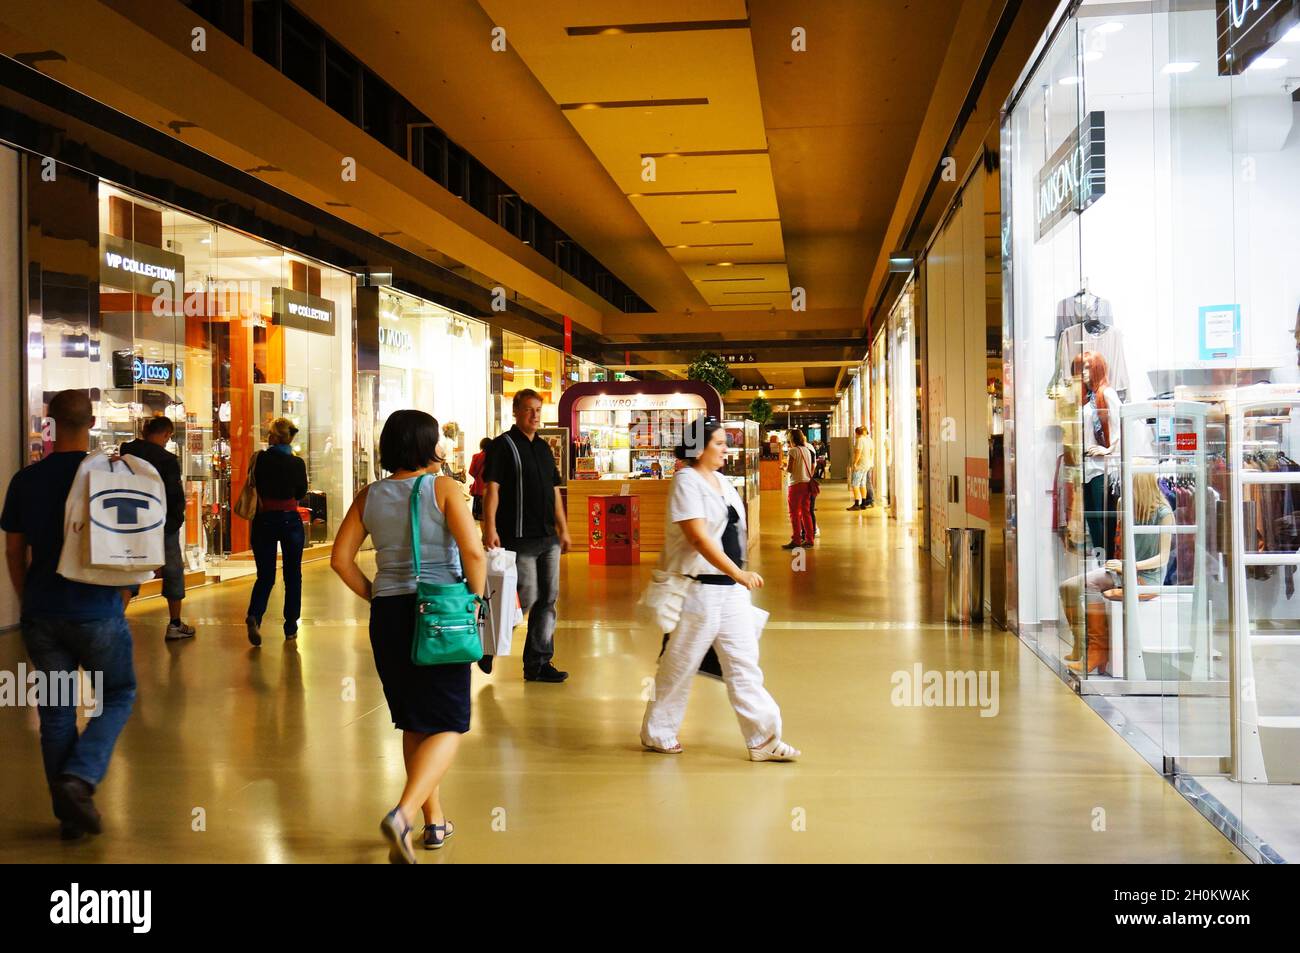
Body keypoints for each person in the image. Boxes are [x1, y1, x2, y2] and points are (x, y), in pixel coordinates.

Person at [331, 409, 486, 863]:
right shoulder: (444, 488)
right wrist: (474, 606)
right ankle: (401, 814)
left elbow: (341, 560)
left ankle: (432, 821)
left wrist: (378, 598)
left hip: (390, 615)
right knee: (452, 721)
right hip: (439, 610)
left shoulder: (369, 495)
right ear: (425, 444)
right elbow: (473, 552)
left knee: (415, 719)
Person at [2, 389, 137, 839]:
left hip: (43, 612)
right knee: (118, 692)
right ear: (92, 420)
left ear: (50, 421)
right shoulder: (110, 477)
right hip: (97, 609)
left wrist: (28, 599)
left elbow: (15, 549)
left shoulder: (26, 480)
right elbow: (132, 542)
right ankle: (78, 780)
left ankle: (69, 820)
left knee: (57, 712)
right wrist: (125, 594)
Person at [641, 415, 799, 762]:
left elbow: (732, 535)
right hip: (696, 591)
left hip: (730, 593)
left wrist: (738, 575)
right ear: (699, 446)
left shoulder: (723, 483)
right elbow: (697, 537)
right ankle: (658, 731)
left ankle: (763, 738)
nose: (726, 449)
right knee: (680, 663)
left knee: (744, 664)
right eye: (719, 443)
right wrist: (739, 573)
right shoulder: (685, 481)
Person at [482, 389, 571, 683]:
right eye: (529, 409)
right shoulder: (502, 446)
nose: (535, 415)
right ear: (516, 411)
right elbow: (491, 490)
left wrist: (563, 528)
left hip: (548, 538)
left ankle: (538, 663)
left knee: (548, 599)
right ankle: (488, 644)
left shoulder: (544, 449)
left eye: (538, 410)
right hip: (519, 537)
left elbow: (555, 491)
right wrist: (489, 527)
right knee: (527, 595)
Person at [1059, 472, 1173, 674]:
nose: (1121, 486)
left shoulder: (1164, 513)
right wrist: (1119, 564)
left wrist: (1129, 566)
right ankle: (1082, 643)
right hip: (1122, 570)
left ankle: (1097, 650)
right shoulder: (1123, 504)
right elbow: (1121, 542)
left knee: (1090, 586)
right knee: (1067, 586)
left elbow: (1163, 558)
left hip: (1146, 577)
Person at [121, 415, 194, 641]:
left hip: (130, 520)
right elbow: (174, 496)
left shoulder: (126, 451)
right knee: (173, 571)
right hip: (160, 523)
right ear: (165, 434)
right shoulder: (167, 459)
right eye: (168, 437)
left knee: (130, 570)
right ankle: (174, 623)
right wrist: (174, 522)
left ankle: (114, 620)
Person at [244, 417, 308, 646]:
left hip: (264, 519)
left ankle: (255, 615)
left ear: (272, 436)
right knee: (293, 575)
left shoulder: (261, 459)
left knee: (265, 575)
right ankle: (291, 626)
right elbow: (301, 492)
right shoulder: (297, 463)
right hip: (290, 519)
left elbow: (253, 483)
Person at [782, 429, 816, 550]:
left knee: (794, 514)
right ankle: (809, 539)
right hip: (806, 484)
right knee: (806, 513)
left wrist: (784, 467)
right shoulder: (807, 450)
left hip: (795, 485)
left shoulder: (793, 451)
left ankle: (796, 539)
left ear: (792, 439)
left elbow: (790, 469)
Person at [849, 426, 875, 510]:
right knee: (863, 483)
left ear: (857, 433)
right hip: (867, 464)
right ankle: (863, 503)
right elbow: (871, 452)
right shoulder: (869, 440)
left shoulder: (860, 440)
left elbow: (858, 452)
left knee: (855, 484)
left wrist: (855, 463)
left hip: (860, 465)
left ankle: (856, 503)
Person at [468, 437, 491, 521]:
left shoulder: (476, 456)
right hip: (491, 490)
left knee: (481, 516)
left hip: (478, 490)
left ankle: (483, 534)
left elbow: (471, 471)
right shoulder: (494, 457)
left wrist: (477, 478)